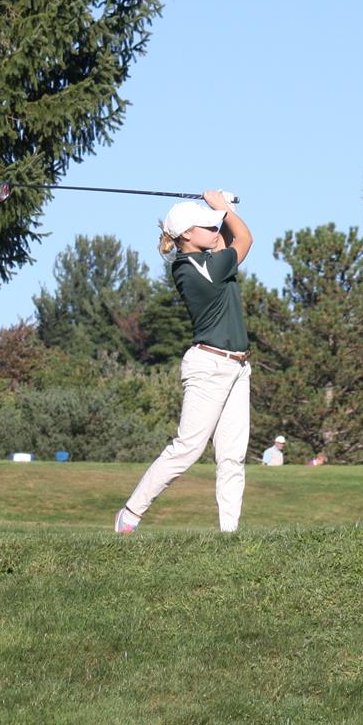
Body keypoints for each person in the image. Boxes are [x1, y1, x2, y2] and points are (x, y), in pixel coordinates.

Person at [116, 190, 253, 533]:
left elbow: (223, 238)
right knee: (188, 448)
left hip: (237, 366)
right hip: (210, 367)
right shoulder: (196, 267)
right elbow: (244, 238)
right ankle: (130, 513)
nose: (214, 229)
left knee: (232, 455)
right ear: (188, 234)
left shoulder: (206, 262)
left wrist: (221, 210)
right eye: (206, 226)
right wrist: (222, 207)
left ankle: (229, 534)